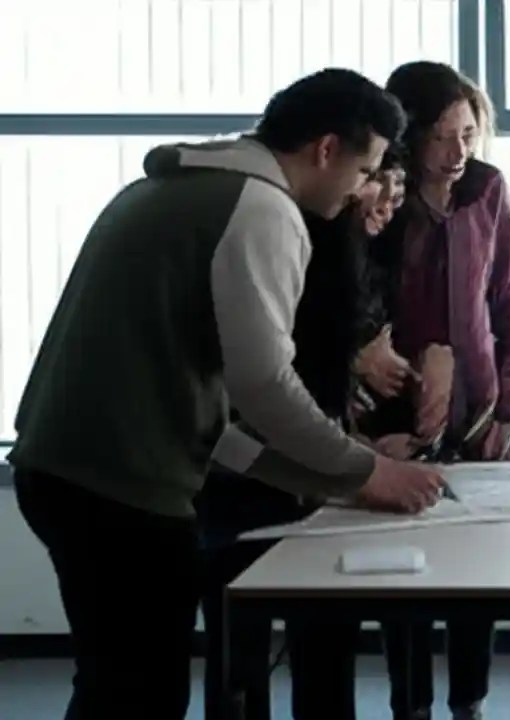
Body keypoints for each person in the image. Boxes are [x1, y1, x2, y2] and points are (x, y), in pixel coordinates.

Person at [7, 68, 444, 720]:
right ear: (327, 149)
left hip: (60, 473)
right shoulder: (263, 209)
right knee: (140, 692)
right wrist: (368, 468)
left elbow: (206, 411)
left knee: (116, 684)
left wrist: (327, 479)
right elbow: (264, 385)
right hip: (122, 491)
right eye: (367, 169)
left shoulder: (175, 186)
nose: (366, 189)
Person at [196, 150, 408, 720]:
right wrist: (354, 463)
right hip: (241, 470)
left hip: (313, 474)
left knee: (324, 642)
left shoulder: (358, 254)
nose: (387, 199)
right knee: (236, 649)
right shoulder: (281, 233)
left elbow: (322, 391)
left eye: (397, 186)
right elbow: (266, 382)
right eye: (374, 180)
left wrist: (355, 446)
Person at [361, 60, 510, 720]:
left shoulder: (487, 188)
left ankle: (469, 703)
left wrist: (509, 405)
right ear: (407, 136)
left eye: (467, 134)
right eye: (441, 137)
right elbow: (359, 317)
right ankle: (413, 706)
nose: (457, 152)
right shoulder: (380, 201)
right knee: (403, 581)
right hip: (396, 416)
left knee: (477, 581)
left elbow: (508, 302)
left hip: (480, 416)